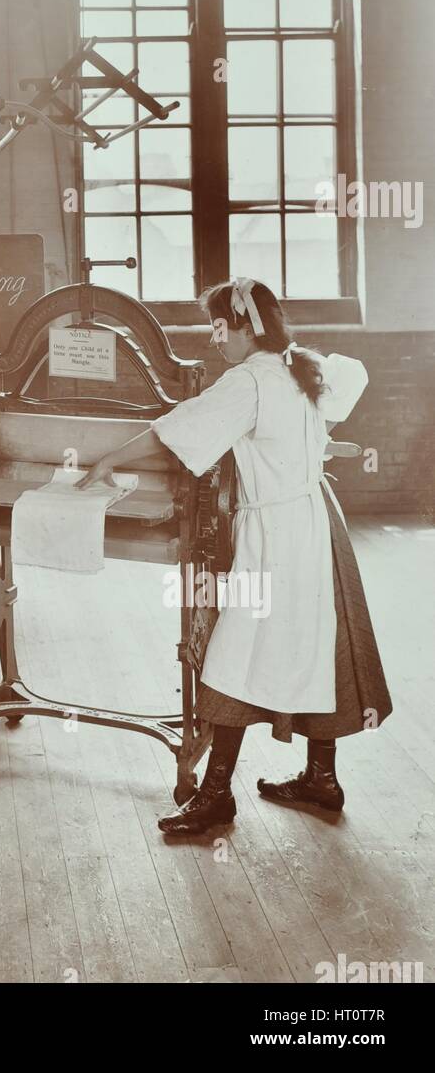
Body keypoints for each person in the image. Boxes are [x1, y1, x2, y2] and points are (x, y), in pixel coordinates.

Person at [81, 278, 392, 836]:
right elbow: (351, 380)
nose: (214, 338)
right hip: (317, 524)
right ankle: (321, 778)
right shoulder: (301, 367)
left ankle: (216, 795)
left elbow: (172, 433)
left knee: (233, 653)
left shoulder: (247, 381)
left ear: (245, 327)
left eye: (219, 327)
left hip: (274, 534)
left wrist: (108, 460)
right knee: (317, 645)